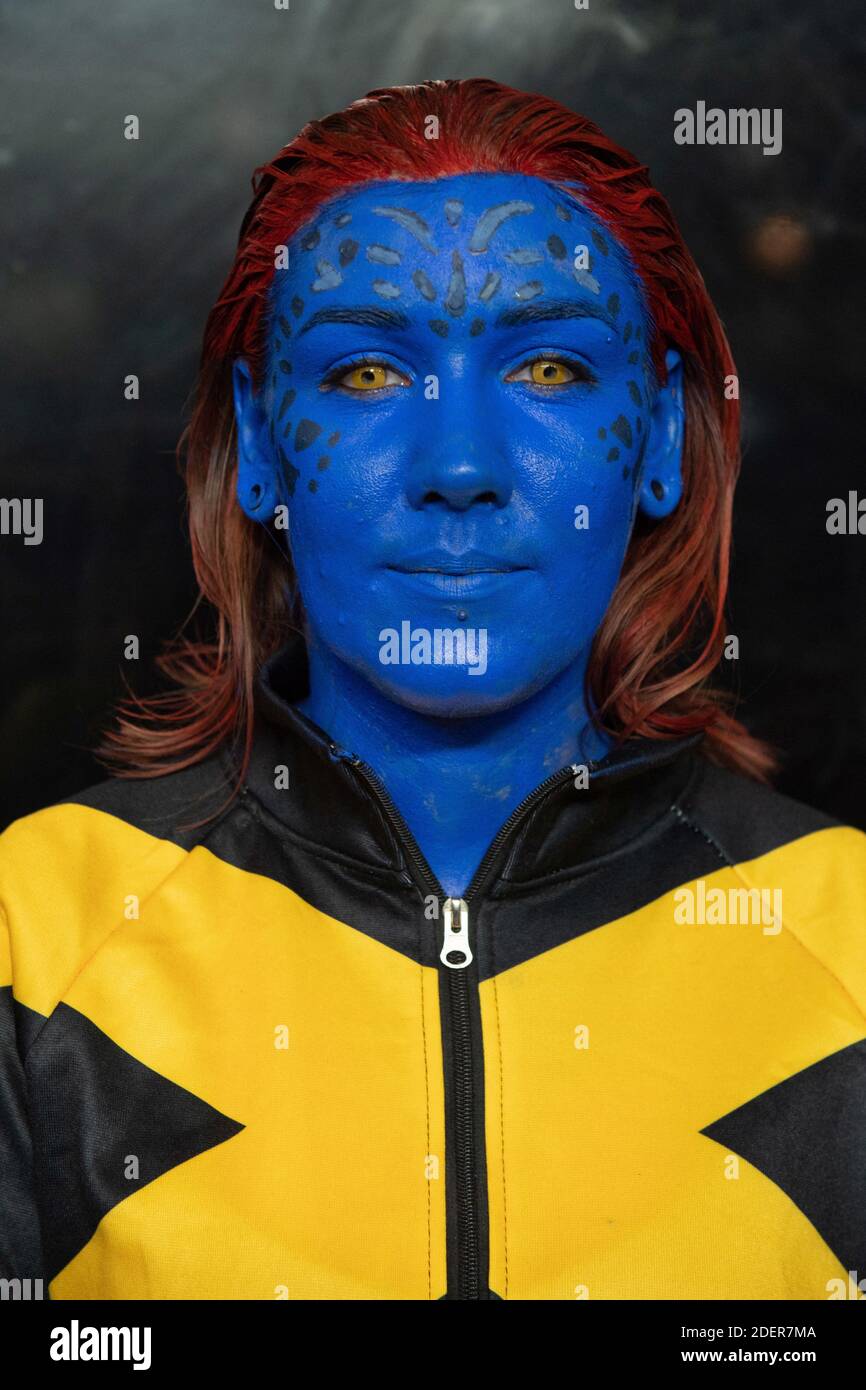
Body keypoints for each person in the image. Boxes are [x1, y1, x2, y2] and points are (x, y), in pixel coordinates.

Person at [2, 78, 864, 1302]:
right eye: (360, 374)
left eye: (552, 366)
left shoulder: (848, 942)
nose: (457, 466)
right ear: (257, 446)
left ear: (662, 435)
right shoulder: (32, 937)